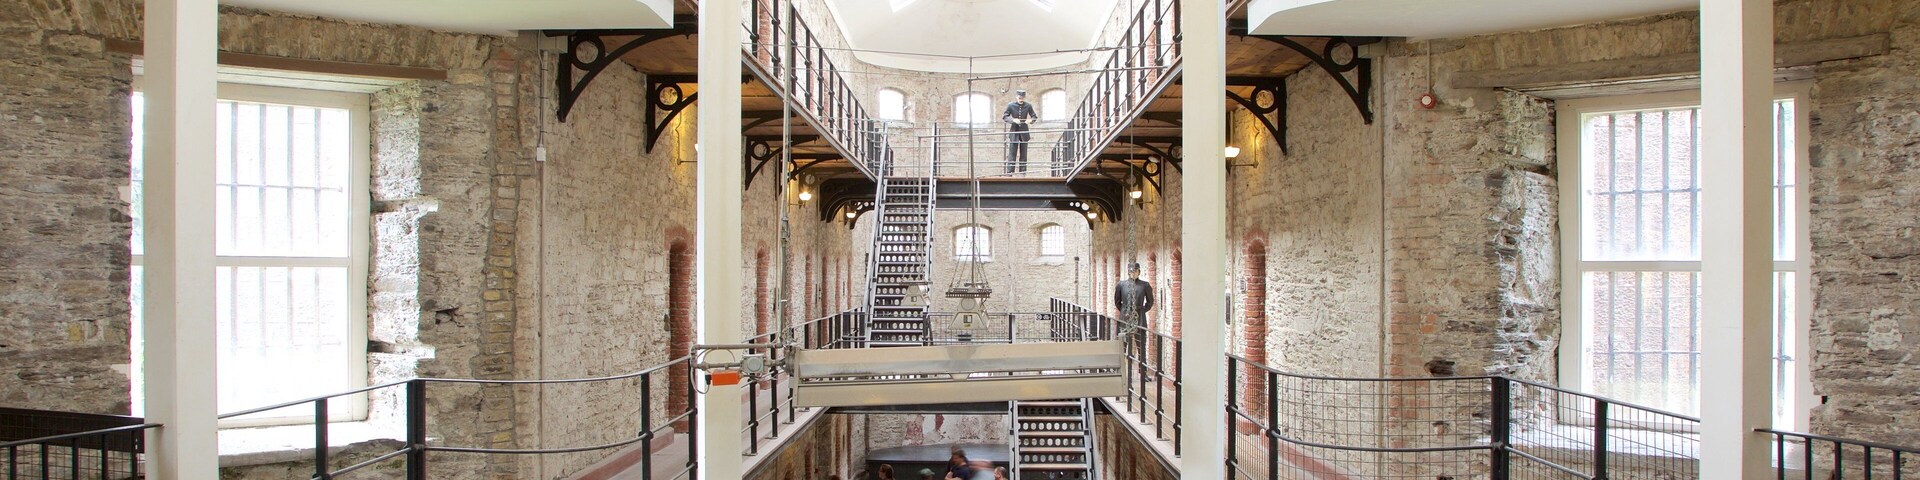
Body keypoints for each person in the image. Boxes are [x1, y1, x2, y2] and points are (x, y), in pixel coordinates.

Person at [1001, 90, 1038, 174]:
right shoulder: (1011, 105)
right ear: (1016, 97)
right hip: (1014, 131)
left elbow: (1034, 116)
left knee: (1024, 154)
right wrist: (1013, 120)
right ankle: (1010, 172)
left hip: (1024, 132)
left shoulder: (1028, 106)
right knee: (1012, 154)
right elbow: (1005, 116)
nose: (1021, 99)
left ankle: (1023, 172)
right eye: (1019, 98)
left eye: (1022, 98)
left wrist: (1031, 120)